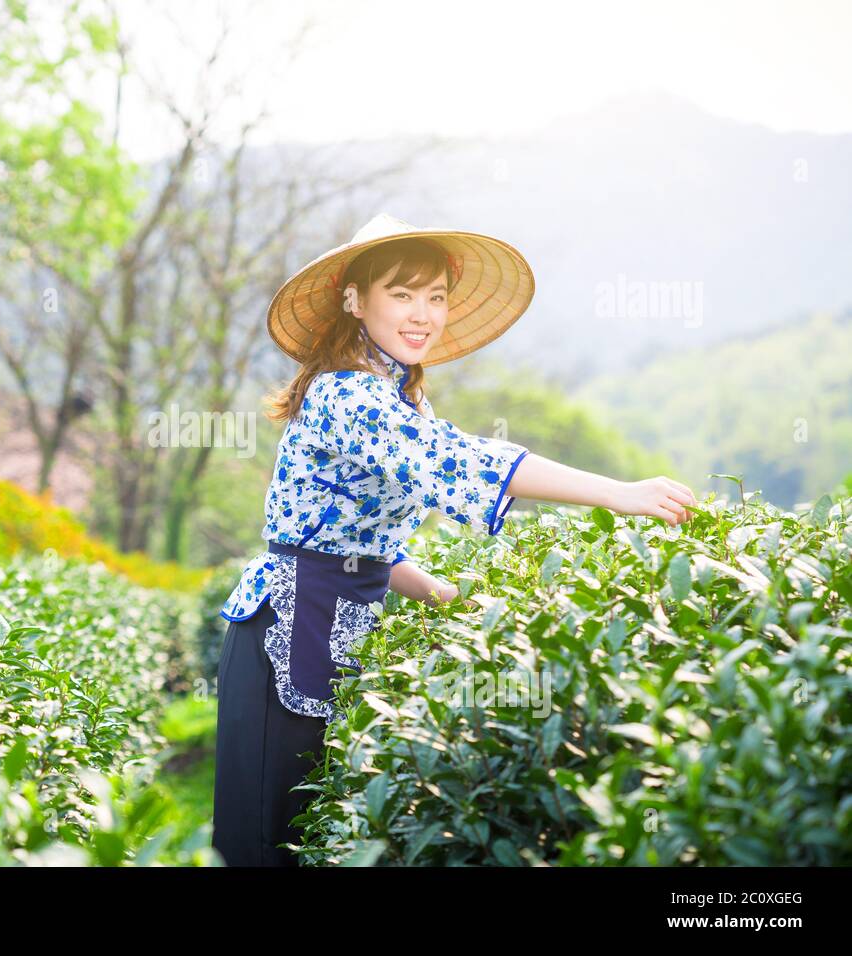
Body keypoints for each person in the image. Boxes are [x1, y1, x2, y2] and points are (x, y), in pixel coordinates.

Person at [210, 212, 697, 867]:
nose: (423, 314)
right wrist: (618, 492)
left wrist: (442, 592)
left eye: (435, 297)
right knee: (267, 844)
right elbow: (463, 460)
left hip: (337, 627)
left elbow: (362, 542)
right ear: (356, 300)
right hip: (288, 632)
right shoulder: (348, 396)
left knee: (318, 836)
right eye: (402, 294)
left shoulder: (399, 397)